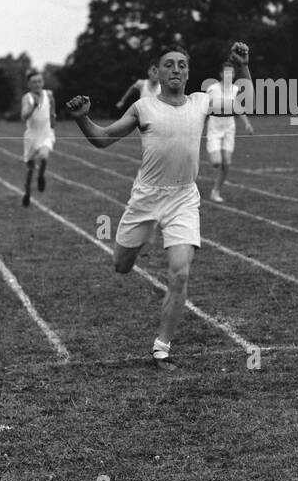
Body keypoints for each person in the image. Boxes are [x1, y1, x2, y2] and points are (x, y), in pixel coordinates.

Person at [66, 41, 252, 370]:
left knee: (180, 273)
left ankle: (161, 347)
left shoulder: (202, 102)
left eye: (182, 64)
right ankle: (139, 241)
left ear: (189, 72)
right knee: (121, 266)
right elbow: (102, 138)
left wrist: (242, 67)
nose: (176, 69)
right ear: (158, 71)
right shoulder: (144, 107)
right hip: (146, 198)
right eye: (169, 64)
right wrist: (83, 119)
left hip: (183, 198)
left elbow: (244, 101)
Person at [202, 59, 254, 203]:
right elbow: (205, 110)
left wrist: (247, 124)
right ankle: (213, 156)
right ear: (221, 74)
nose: (229, 75)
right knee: (216, 162)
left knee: (227, 162)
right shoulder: (212, 89)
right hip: (214, 128)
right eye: (227, 73)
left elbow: (238, 109)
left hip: (229, 128)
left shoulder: (236, 90)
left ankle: (216, 191)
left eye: (231, 73)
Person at [21, 70, 56, 207]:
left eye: (39, 81)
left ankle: (41, 176)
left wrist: (53, 117)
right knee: (30, 169)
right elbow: (24, 117)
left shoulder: (49, 94)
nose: (37, 84)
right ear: (29, 84)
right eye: (34, 82)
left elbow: (52, 108)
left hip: (46, 133)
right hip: (31, 137)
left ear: (43, 82)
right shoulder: (27, 98)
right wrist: (33, 106)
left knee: (44, 156)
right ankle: (27, 193)